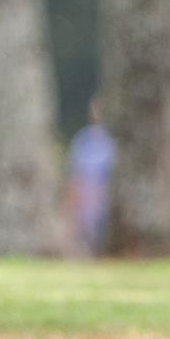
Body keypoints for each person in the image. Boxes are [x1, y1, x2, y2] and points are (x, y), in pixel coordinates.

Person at [67, 98, 117, 256]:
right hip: (87, 202)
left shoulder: (116, 141)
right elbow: (75, 176)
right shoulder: (83, 141)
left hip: (107, 200)